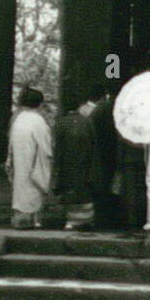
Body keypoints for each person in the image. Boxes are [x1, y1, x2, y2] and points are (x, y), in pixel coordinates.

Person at [5, 87, 52, 229]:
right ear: (39, 104)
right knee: (34, 188)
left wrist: (10, 160)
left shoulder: (18, 119)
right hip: (34, 162)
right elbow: (45, 146)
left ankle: (19, 219)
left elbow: (11, 143)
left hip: (19, 161)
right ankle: (34, 220)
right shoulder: (38, 121)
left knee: (20, 188)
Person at [54, 95, 104, 230]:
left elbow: (58, 147)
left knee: (70, 191)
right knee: (85, 191)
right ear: (78, 106)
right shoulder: (87, 122)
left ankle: (71, 221)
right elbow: (94, 144)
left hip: (68, 164)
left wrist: (56, 165)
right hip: (86, 162)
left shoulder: (62, 123)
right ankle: (87, 220)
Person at [85, 82, 119, 228]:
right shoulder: (113, 109)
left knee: (101, 184)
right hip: (110, 151)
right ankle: (109, 216)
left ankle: (102, 217)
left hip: (99, 151)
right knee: (108, 184)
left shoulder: (96, 111)